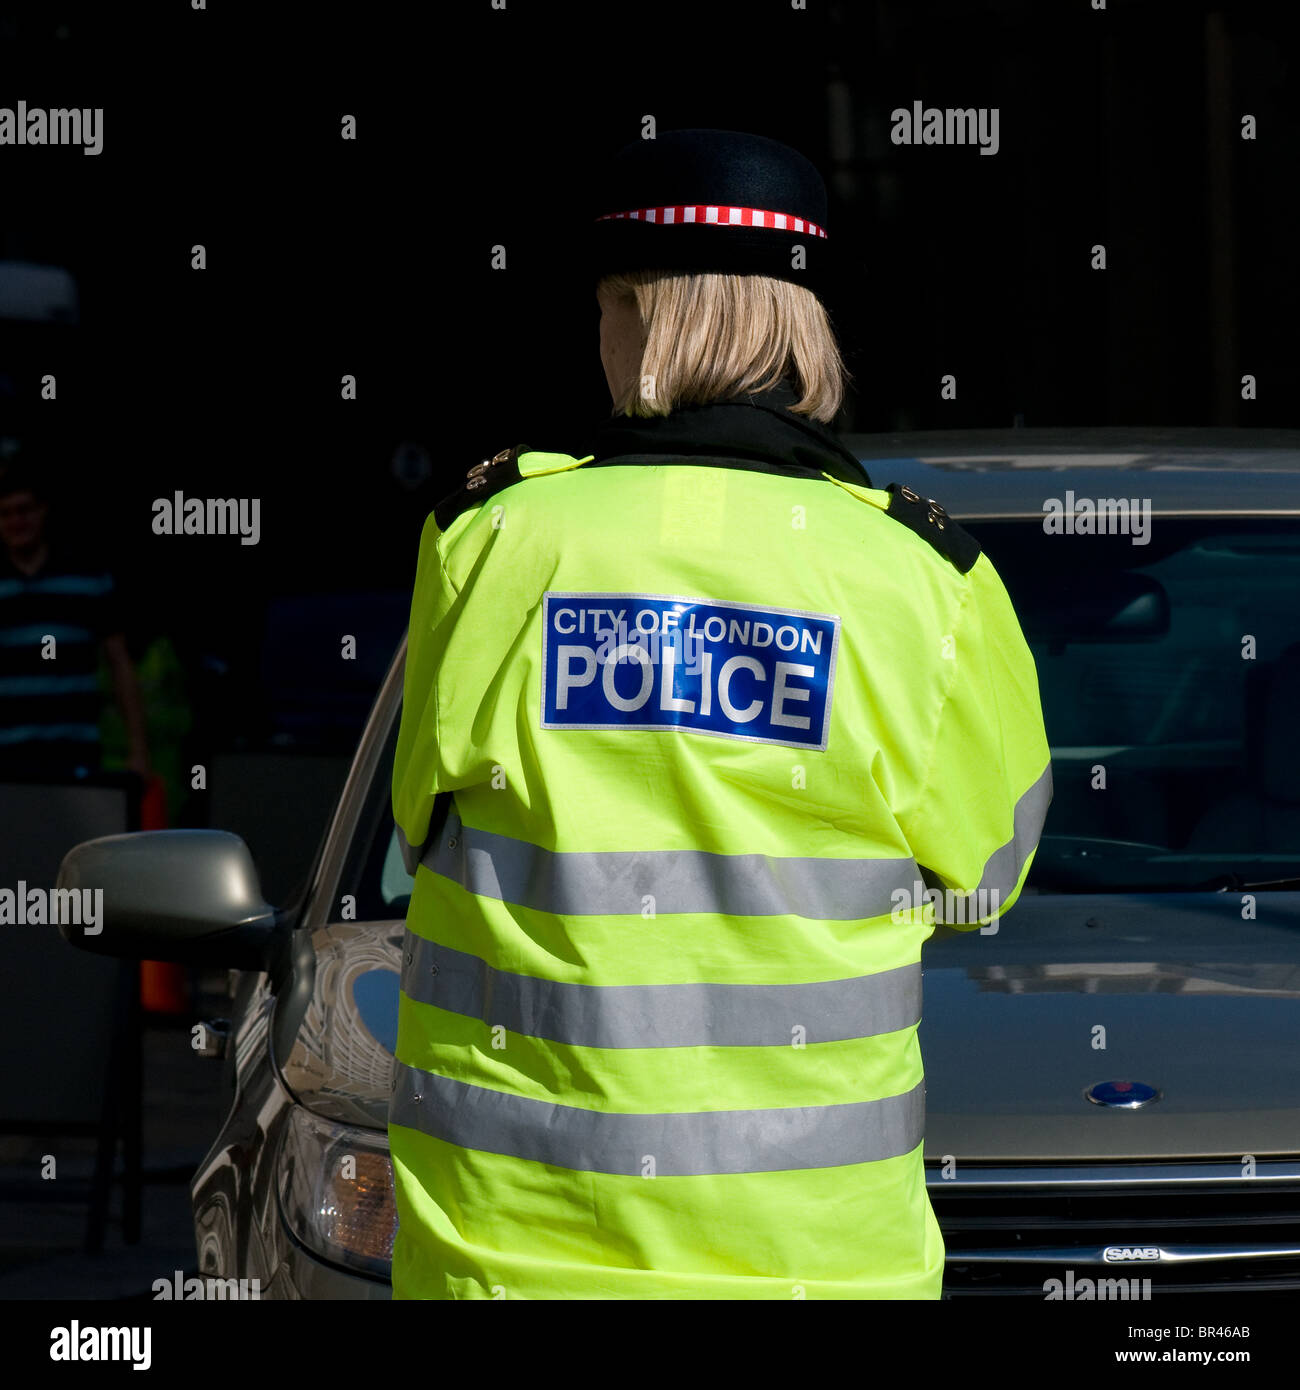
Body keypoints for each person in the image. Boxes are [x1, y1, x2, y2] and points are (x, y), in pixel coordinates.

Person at [390, 129, 1051, 1299]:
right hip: (815, 1261)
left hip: (509, 1258)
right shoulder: (922, 576)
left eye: (607, 308)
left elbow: (417, 830)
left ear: (641, 315)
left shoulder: (490, 539)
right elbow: (984, 878)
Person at [0, 463, 151, 781]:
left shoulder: (88, 576)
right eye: (6, 513)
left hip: (75, 752)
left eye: (24, 510)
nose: (17, 521)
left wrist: (137, 750)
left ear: (43, 512)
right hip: (8, 757)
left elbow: (119, 663)